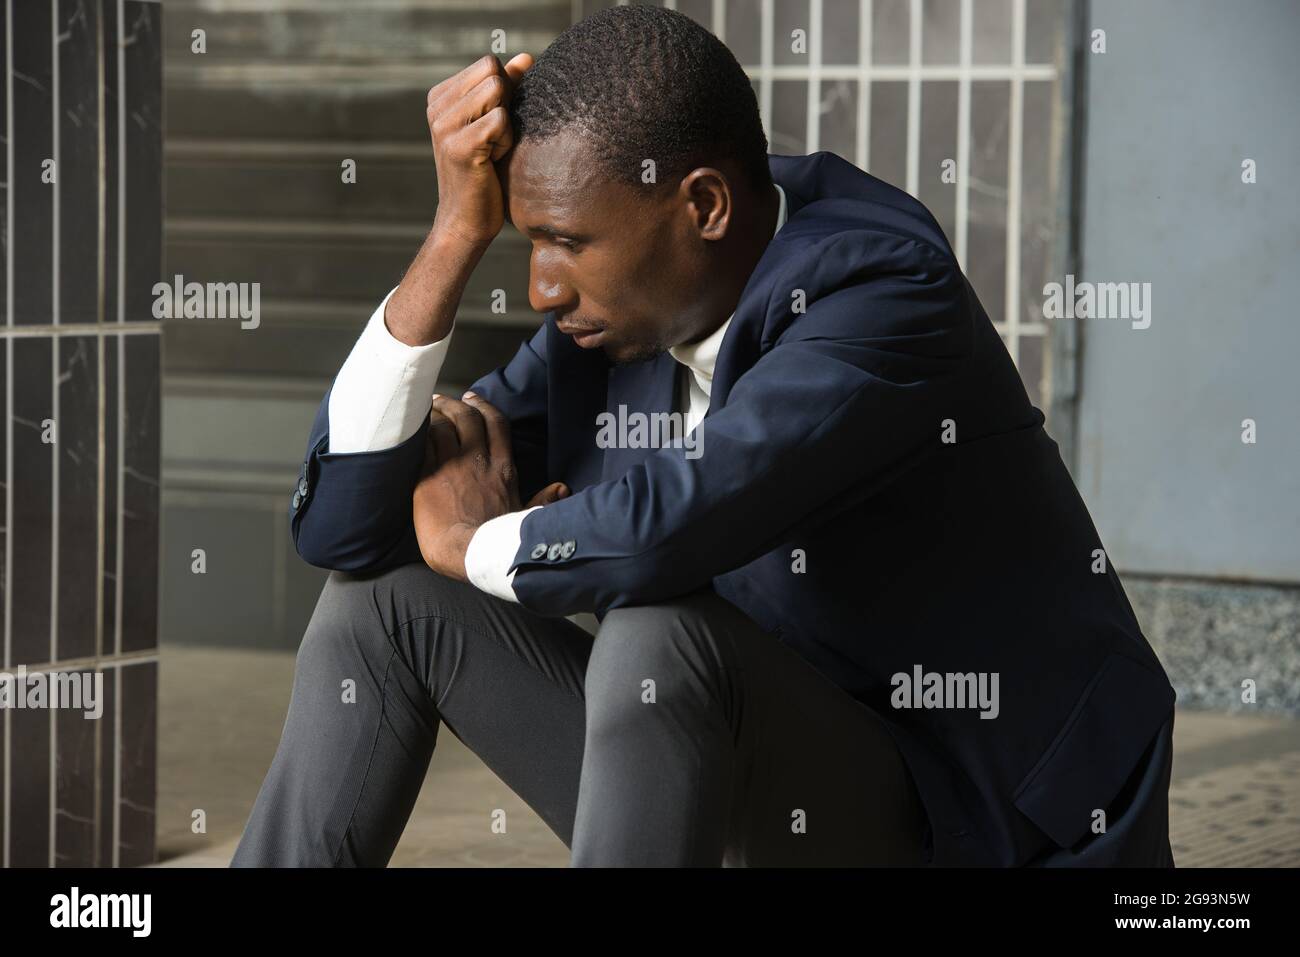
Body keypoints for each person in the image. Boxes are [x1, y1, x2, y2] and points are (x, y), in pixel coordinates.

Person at [232, 5, 1176, 868]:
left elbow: (675, 525)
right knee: (382, 604)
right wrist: (450, 236)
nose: (540, 290)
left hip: (980, 818)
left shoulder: (880, 293)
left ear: (704, 208)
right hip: (742, 788)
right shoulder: (615, 323)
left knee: (657, 633)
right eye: (525, 241)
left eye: (566, 241)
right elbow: (343, 533)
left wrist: (470, 541)